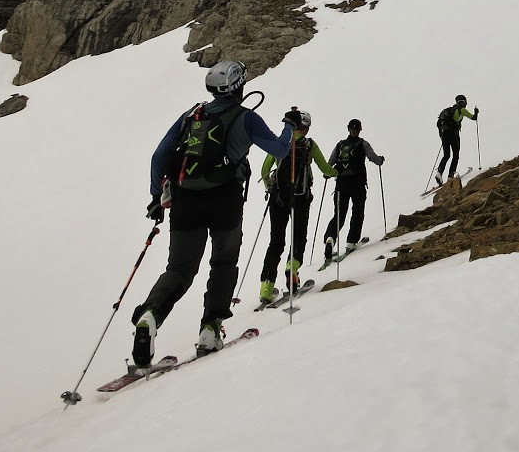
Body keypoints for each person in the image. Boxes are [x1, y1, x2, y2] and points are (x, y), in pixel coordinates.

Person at [132, 60, 293, 366]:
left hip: (185, 201)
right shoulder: (247, 118)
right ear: (239, 86)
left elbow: (158, 156)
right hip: (225, 200)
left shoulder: (192, 115)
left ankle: (150, 314)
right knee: (223, 263)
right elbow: (280, 150)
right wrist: (289, 126)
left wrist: (156, 197)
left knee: (179, 269)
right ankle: (210, 328)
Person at [257, 109, 336, 304]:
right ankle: (292, 268)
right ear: (306, 128)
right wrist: (337, 173)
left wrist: (270, 187)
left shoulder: (280, 142)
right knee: (299, 236)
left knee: (276, 241)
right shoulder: (310, 145)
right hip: (301, 197)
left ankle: (266, 287)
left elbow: (264, 170)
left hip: (278, 198)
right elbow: (325, 169)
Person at [323, 118, 385, 263]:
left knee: (339, 215)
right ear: (360, 129)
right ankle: (351, 242)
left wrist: (327, 173)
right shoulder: (363, 144)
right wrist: (381, 160)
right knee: (357, 212)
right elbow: (373, 158)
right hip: (358, 184)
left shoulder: (340, 145)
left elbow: (330, 163)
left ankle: (330, 238)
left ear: (348, 129)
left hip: (341, 185)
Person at [435, 94, 479, 184]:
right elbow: (473, 118)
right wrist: (476, 112)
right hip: (453, 133)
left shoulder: (450, 110)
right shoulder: (461, 110)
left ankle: (439, 172)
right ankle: (451, 175)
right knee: (456, 154)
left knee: (446, 155)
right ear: (463, 102)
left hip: (444, 133)